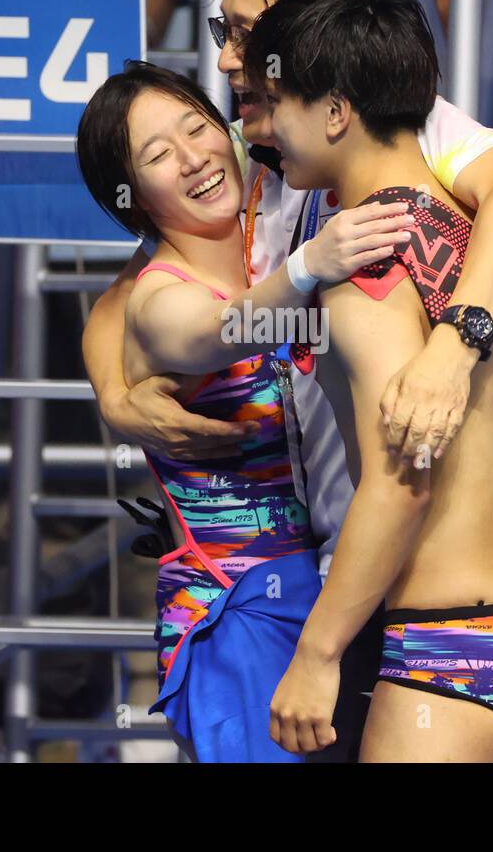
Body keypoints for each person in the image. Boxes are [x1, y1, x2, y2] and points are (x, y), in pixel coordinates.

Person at [81, 0, 493, 762]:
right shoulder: (240, 141)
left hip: (400, 603)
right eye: (222, 32)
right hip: (368, 591)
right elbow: (135, 293)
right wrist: (118, 391)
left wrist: (458, 342)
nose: (226, 57)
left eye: (244, 32)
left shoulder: (418, 133)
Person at [243, 0, 493, 761]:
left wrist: (318, 654)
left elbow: (404, 482)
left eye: (273, 103)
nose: (263, 130)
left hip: (450, 659)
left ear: (334, 112)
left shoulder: (367, 269)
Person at [75, 60, 412, 761]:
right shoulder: (160, 296)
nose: (194, 157)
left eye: (198, 129)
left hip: (338, 587)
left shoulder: (265, 208)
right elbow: (216, 331)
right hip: (239, 611)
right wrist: (313, 265)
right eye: (158, 156)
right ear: (132, 196)